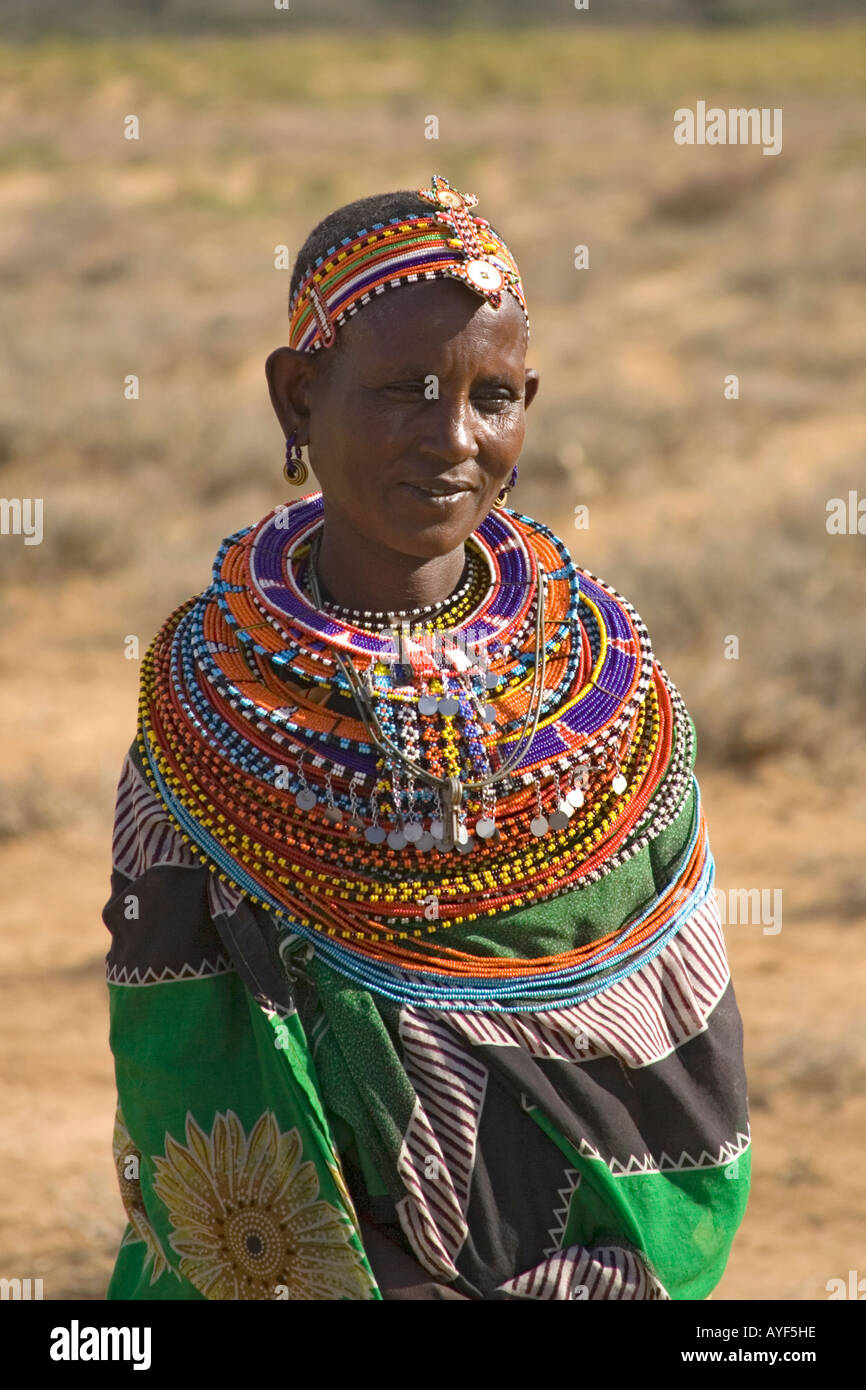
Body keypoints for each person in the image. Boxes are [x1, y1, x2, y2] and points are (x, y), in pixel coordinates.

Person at [103, 174, 750, 1301]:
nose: (453, 438)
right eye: (405, 390)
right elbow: (182, 1052)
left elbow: (684, 1038)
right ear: (297, 397)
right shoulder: (211, 698)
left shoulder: (608, 696)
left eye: (491, 396)